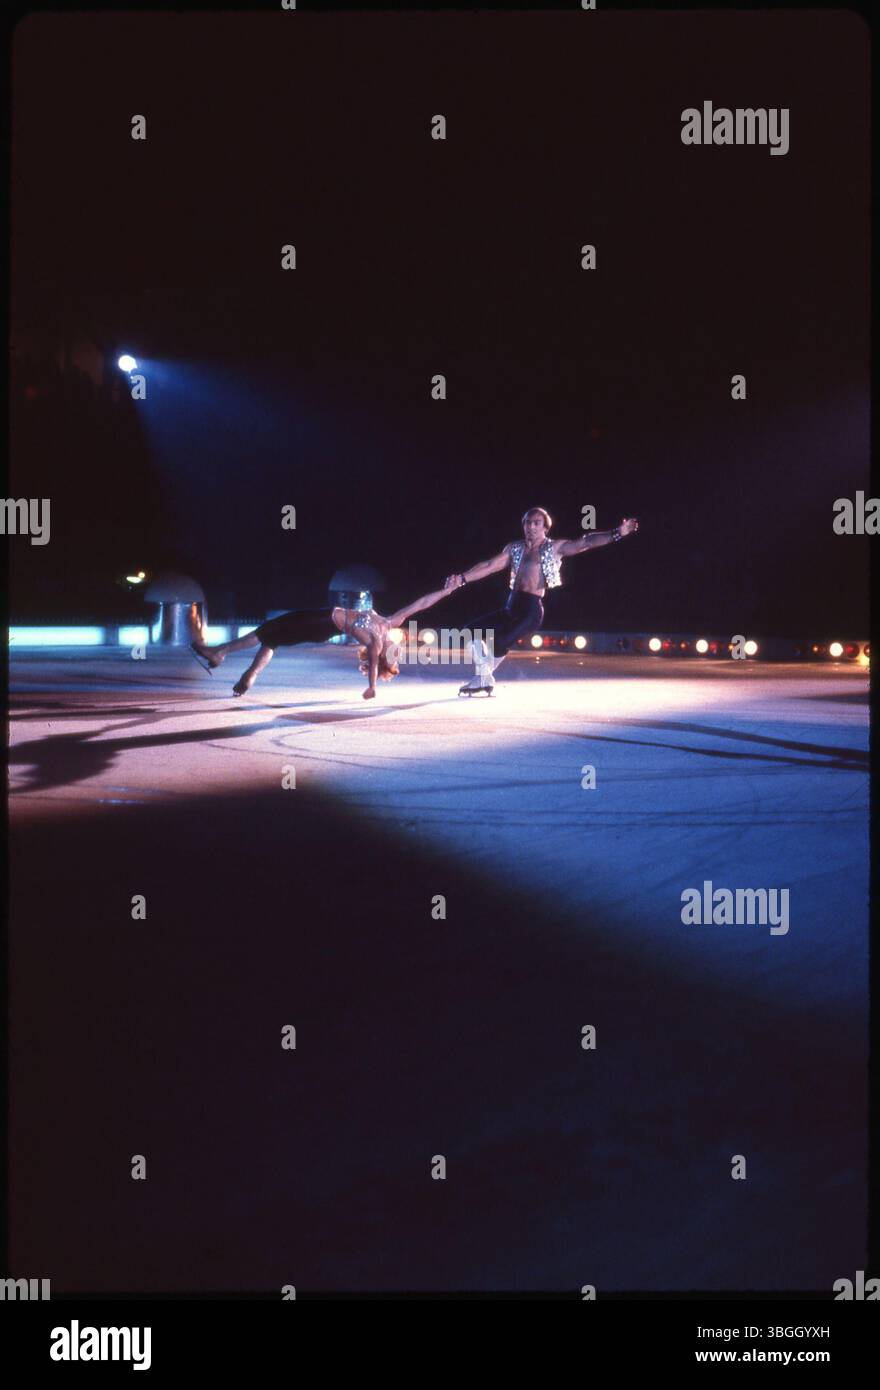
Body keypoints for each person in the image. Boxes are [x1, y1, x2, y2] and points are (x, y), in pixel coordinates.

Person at [444, 507, 639, 694]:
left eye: (537, 523)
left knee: (500, 642)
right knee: (469, 632)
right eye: (528, 522)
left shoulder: (554, 547)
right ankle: (483, 679)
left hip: (530, 610)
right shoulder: (514, 548)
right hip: (511, 606)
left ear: (546, 527)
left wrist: (617, 532)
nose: (531, 526)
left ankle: (483, 679)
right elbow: (489, 565)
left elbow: (586, 541)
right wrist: (462, 578)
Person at [190, 584, 455, 700]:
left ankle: (219, 653)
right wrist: (447, 590)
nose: (400, 643)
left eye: (396, 651)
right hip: (320, 623)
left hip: (320, 622)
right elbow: (421, 603)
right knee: (273, 636)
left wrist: (372, 687)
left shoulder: (376, 642)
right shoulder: (390, 622)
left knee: (268, 631)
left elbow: (374, 665)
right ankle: (249, 676)